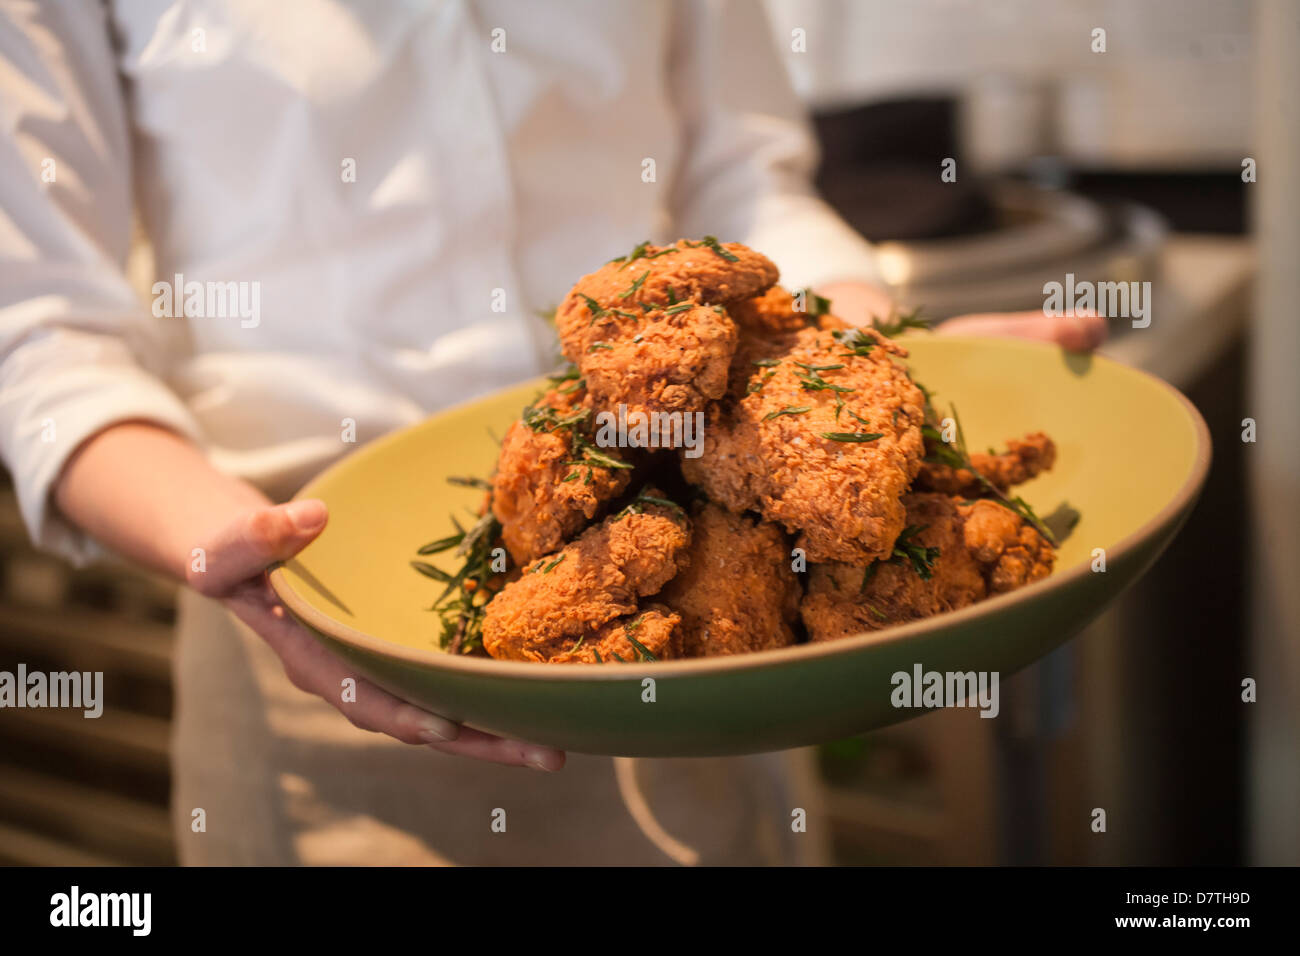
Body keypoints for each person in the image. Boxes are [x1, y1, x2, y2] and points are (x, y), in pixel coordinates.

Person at [0, 1, 1103, 865]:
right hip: (320, 613)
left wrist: (864, 363)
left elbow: (746, 181)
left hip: (718, 646)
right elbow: (35, 323)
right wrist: (230, 543)